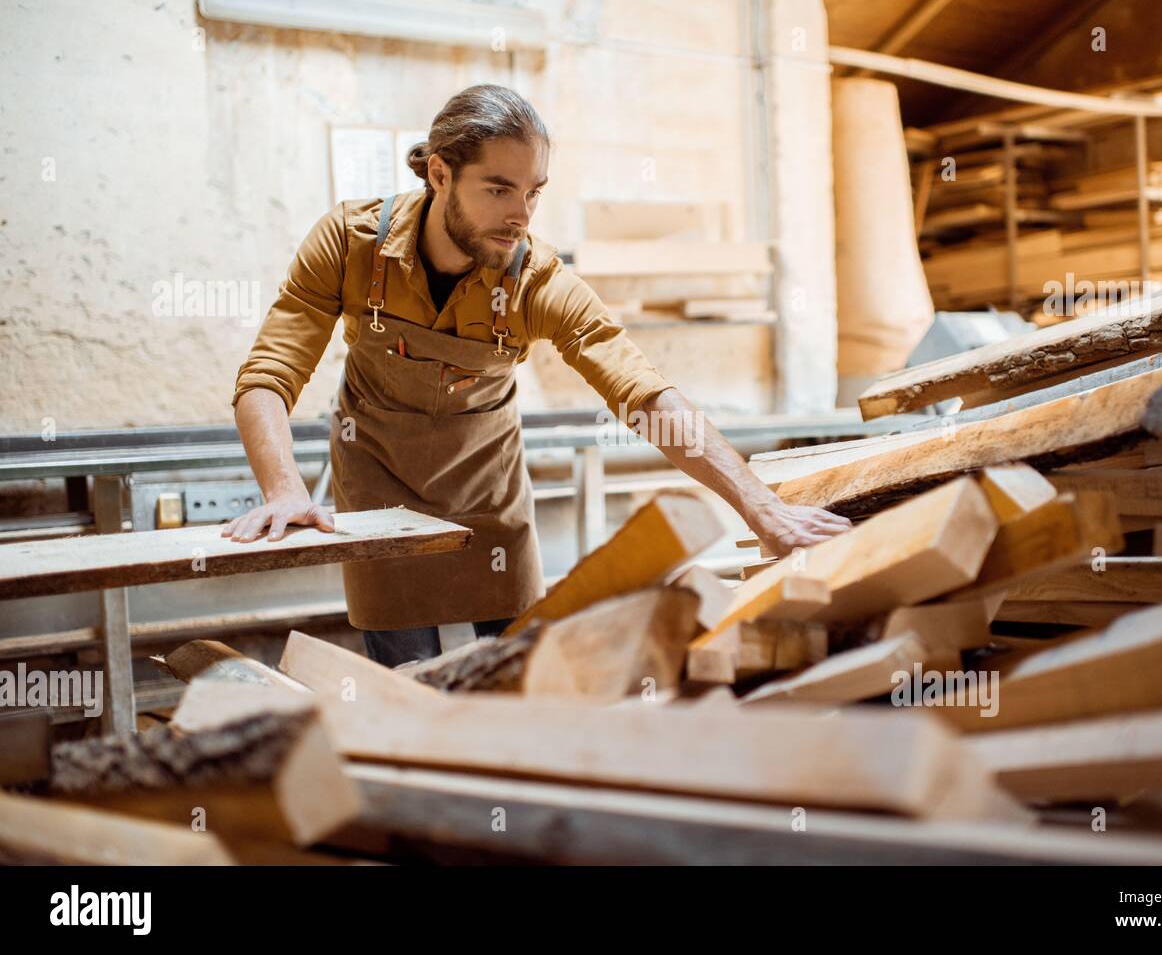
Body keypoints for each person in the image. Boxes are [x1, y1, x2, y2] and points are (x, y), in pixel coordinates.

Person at [225, 84, 850, 666]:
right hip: (378, 484)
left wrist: (759, 507)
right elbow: (269, 373)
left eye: (533, 192)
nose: (521, 214)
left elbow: (642, 392)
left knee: (518, 671)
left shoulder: (536, 281)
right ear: (440, 173)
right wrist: (283, 489)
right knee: (404, 678)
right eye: (498, 189)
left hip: (488, 492)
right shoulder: (351, 244)